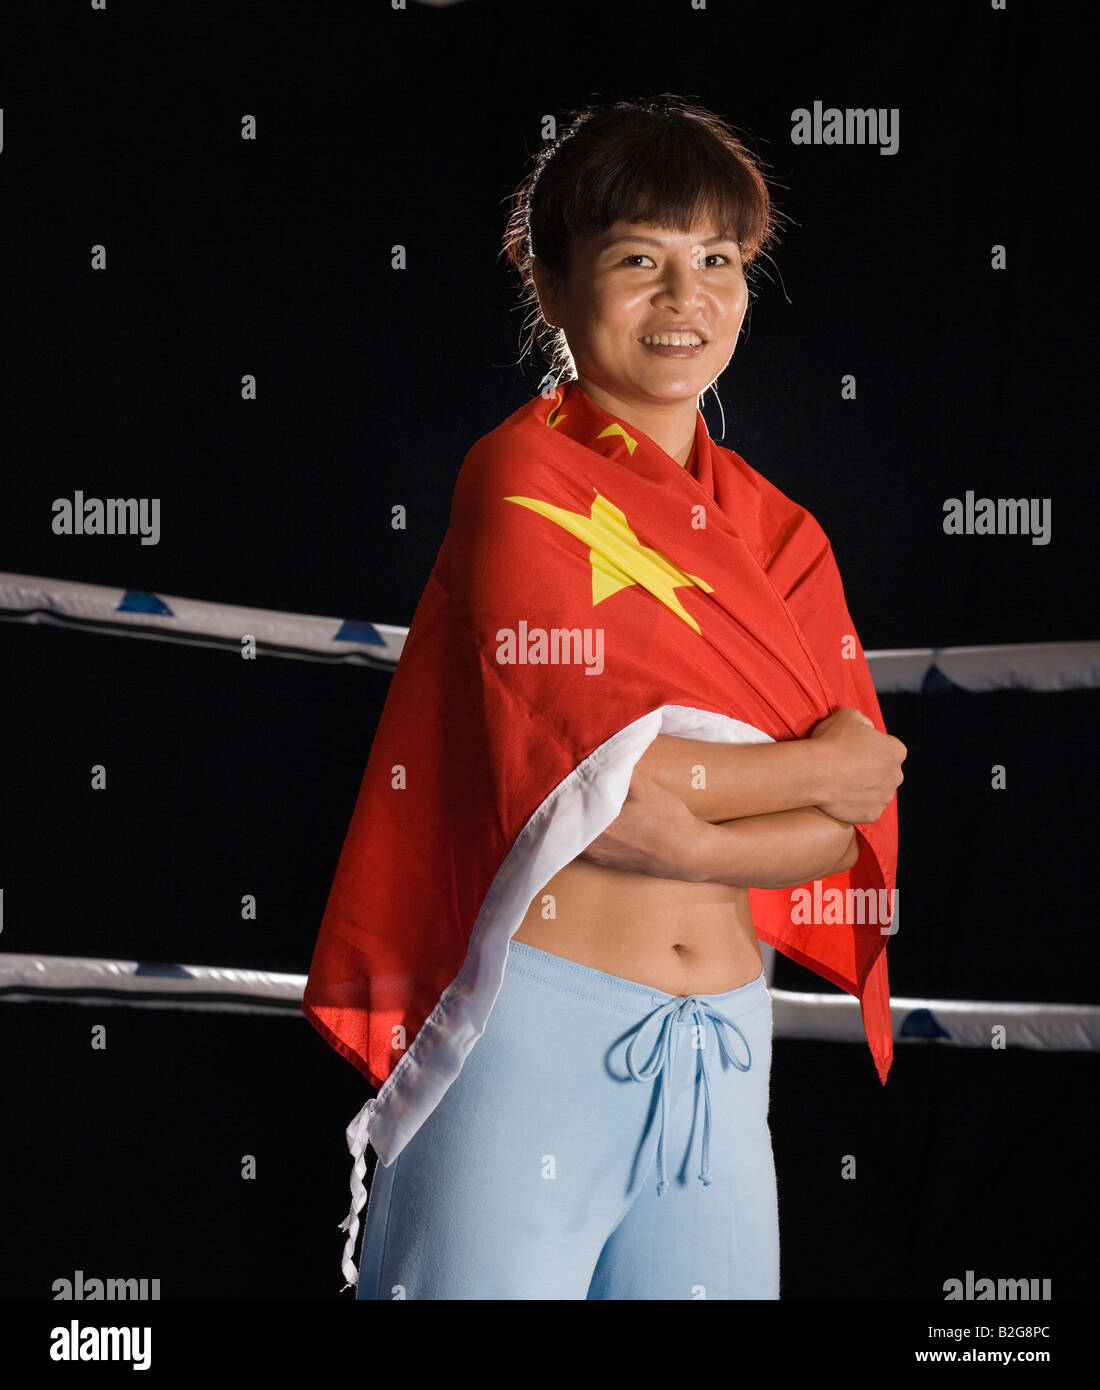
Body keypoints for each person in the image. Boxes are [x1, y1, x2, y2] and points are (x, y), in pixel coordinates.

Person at [313, 94, 906, 1301]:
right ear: (549, 280)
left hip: (728, 1050)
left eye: (716, 262)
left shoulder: (784, 535)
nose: (684, 301)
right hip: (536, 1033)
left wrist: (683, 808)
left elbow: (844, 824)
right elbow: (588, 789)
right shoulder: (519, 473)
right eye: (639, 260)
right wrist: (774, 784)